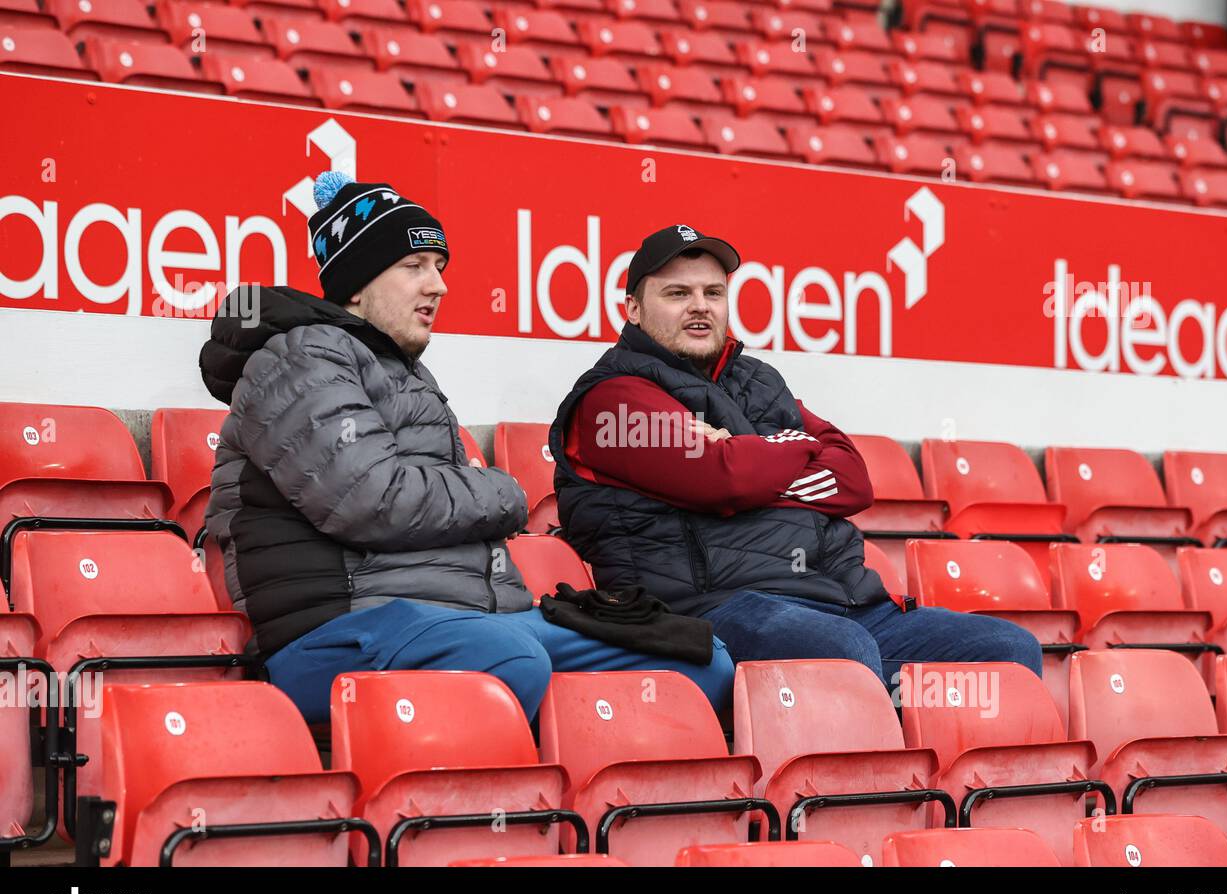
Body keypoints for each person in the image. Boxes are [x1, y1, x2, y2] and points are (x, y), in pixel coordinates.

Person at [198, 179, 734, 723]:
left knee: (696, 657)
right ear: (356, 285)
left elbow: (422, 499)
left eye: (440, 267)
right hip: (338, 633)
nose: (438, 286)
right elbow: (375, 498)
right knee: (507, 661)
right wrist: (504, 492)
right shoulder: (300, 357)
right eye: (415, 266)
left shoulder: (407, 374)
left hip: (467, 620)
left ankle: (598, 796)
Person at [548, 224, 1042, 689]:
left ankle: (941, 780)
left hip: (842, 598)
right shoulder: (611, 401)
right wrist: (788, 451)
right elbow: (725, 478)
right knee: (839, 650)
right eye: (678, 294)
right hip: (710, 609)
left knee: (1006, 649)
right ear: (633, 308)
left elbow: (852, 479)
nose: (700, 307)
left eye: (713, 293)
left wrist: (752, 452)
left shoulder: (757, 381)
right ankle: (857, 780)